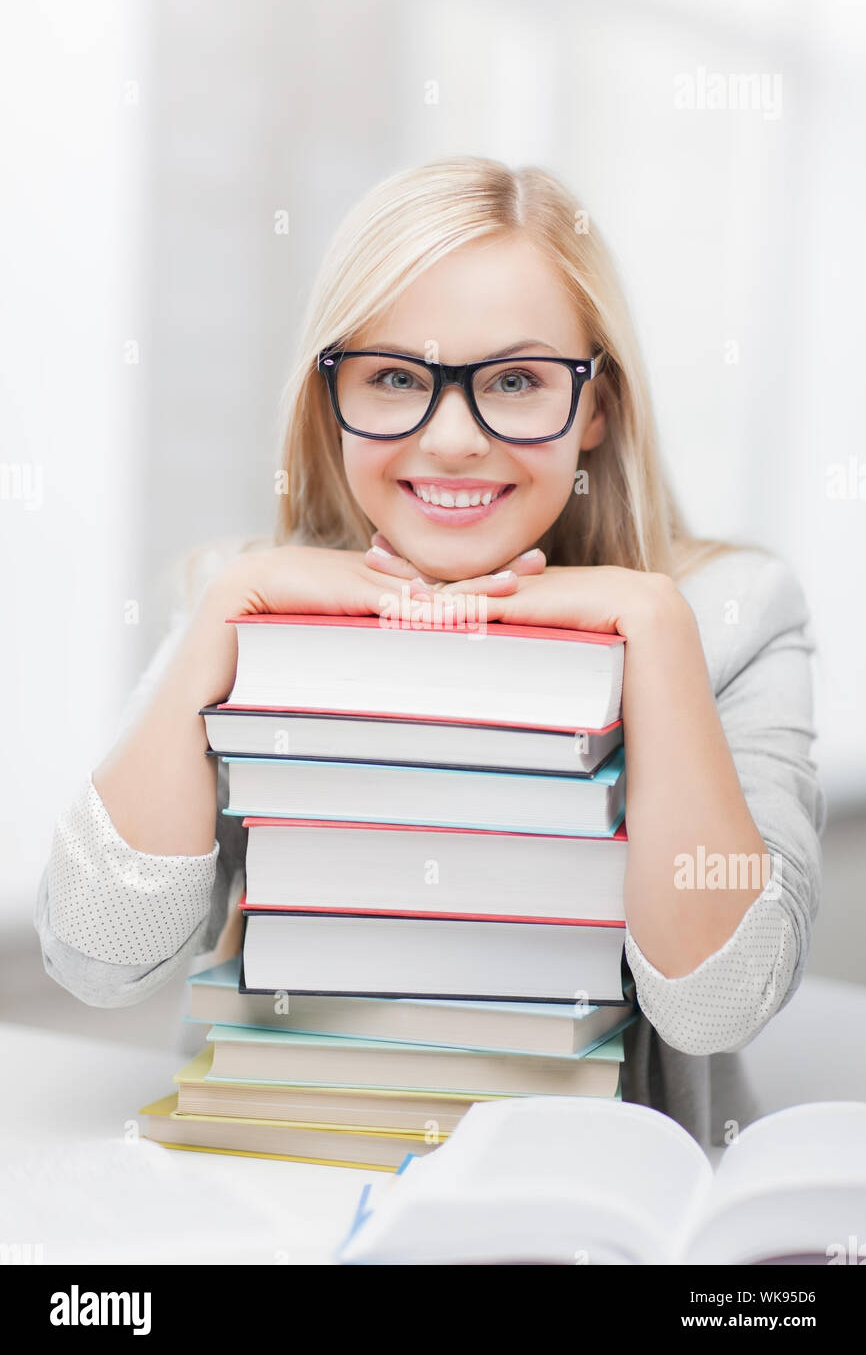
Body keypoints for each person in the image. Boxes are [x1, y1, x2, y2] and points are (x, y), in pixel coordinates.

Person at [35, 156, 825, 1148]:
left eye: (515, 381)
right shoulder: (243, 594)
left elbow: (717, 1007)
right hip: (286, 1182)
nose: (451, 439)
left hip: (590, 1209)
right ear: (331, 398)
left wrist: (655, 633)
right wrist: (227, 616)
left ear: (595, 408)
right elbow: (103, 959)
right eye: (397, 377)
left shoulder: (727, 613)